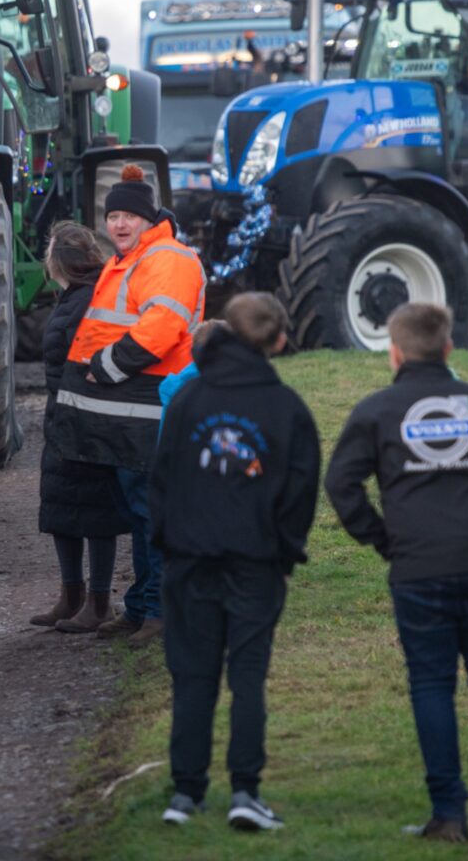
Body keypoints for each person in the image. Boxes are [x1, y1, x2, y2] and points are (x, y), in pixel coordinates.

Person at [324, 302, 468, 843]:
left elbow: (340, 485)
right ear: (448, 349)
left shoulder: (376, 411)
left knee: (431, 684)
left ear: (393, 352)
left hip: (417, 567)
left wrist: (381, 538)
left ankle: (448, 814)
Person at [150, 293, 320, 831]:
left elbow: (160, 476)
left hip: (190, 558)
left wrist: (167, 541)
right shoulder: (288, 406)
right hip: (255, 561)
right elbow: (301, 489)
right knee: (248, 677)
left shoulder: (187, 399)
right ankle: (245, 791)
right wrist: (285, 548)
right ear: (279, 340)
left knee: (193, 676)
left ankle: (185, 793)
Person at [49, 165, 206, 645]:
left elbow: (160, 328)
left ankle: (160, 610)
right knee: (138, 515)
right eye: (112, 215)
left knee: (153, 514)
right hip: (125, 412)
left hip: (150, 408)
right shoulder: (129, 260)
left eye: (128, 217)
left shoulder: (167, 259)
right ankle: (140, 607)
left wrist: (106, 366)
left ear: (148, 218)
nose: (118, 224)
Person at [31, 222, 133, 634]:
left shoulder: (90, 297)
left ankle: (99, 601)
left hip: (85, 417)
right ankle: (71, 596)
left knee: (94, 511)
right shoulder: (77, 295)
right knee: (63, 507)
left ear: (59, 262)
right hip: (66, 414)